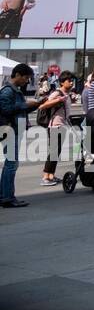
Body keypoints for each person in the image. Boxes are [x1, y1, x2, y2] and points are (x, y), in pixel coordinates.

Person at [0, 63, 38, 207]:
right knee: (11, 165)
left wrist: (35, 105)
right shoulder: (8, 91)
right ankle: (8, 198)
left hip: (15, 130)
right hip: (10, 131)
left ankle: (4, 195)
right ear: (17, 75)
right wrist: (25, 105)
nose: (27, 81)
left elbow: (17, 111)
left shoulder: (16, 91)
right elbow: (5, 110)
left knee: (10, 164)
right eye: (26, 77)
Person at [37, 71, 75, 185]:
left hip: (62, 125)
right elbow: (42, 106)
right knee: (53, 152)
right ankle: (45, 177)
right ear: (62, 82)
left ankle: (51, 175)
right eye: (69, 81)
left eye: (72, 80)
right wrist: (58, 100)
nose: (72, 83)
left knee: (56, 152)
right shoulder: (57, 93)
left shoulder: (67, 93)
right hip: (55, 126)